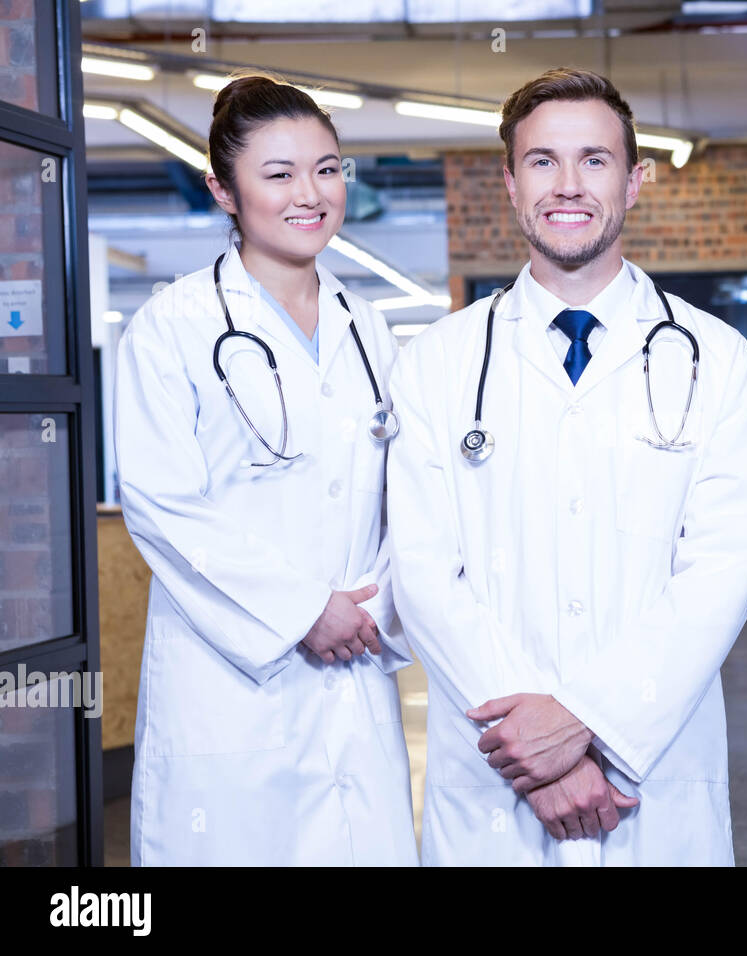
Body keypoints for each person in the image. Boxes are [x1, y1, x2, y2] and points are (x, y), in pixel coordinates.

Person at [386, 67, 747, 865]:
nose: (568, 185)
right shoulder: (436, 362)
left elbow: (720, 571)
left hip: (649, 767)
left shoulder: (716, 357)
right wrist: (538, 754)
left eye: (595, 161)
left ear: (635, 182)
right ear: (509, 182)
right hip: (498, 774)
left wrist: (591, 722)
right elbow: (426, 573)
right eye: (542, 162)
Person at [115, 74, 418, 866]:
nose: (309, 194)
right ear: (223, 189)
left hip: (354, 664)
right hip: (228, 682)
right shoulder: (173, 327)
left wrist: (371, 607)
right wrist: (298, 610)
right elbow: (161, 505)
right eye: (277, 174)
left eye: (326, 168)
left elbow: (408, 493)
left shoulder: (370, 331)